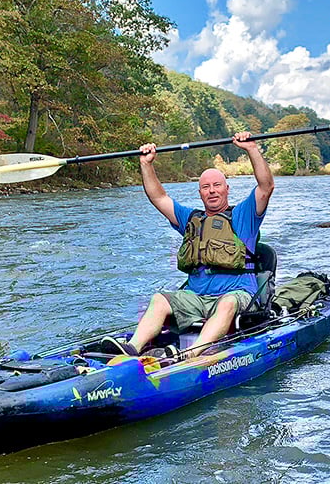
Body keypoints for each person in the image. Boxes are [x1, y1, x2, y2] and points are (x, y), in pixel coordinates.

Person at [101, 131, 274, 359]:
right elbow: (158, 198)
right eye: (205, 187)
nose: (212, 191)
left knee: (227, 303)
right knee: (160, 299)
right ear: (200, 192)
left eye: (216, 185)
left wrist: (252, 149)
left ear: (226, 189)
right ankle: (132, 348)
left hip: (236, 294)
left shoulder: (244, 216)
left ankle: (190, 354)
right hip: (196, 297)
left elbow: (266, 186)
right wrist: (146, 165)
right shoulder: (191, 219)